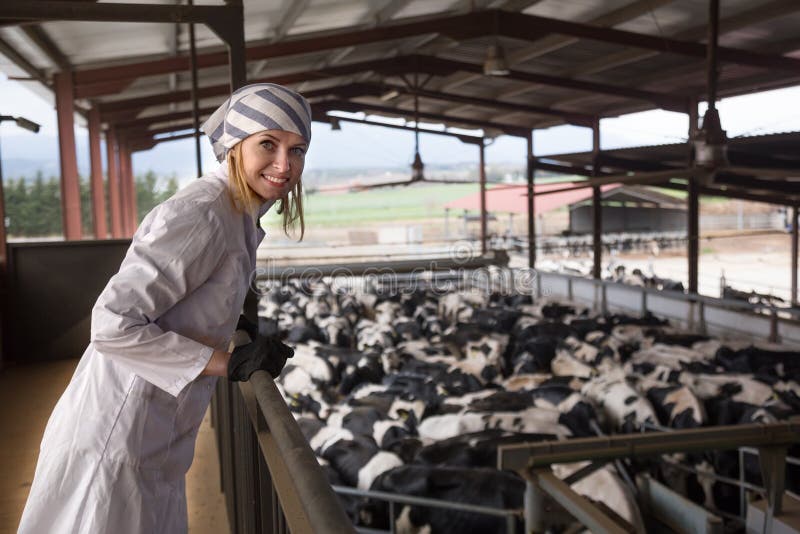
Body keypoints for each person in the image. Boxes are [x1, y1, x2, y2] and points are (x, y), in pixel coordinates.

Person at [18, 83, 310, 534]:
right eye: (268, 144)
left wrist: (232, 318)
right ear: (235, 145)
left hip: (154, 437)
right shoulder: (203, 212)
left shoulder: (238, 213)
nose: (284, 164)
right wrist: (230, 362)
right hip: (118, 430)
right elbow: (112, 325)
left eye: (297, 149)